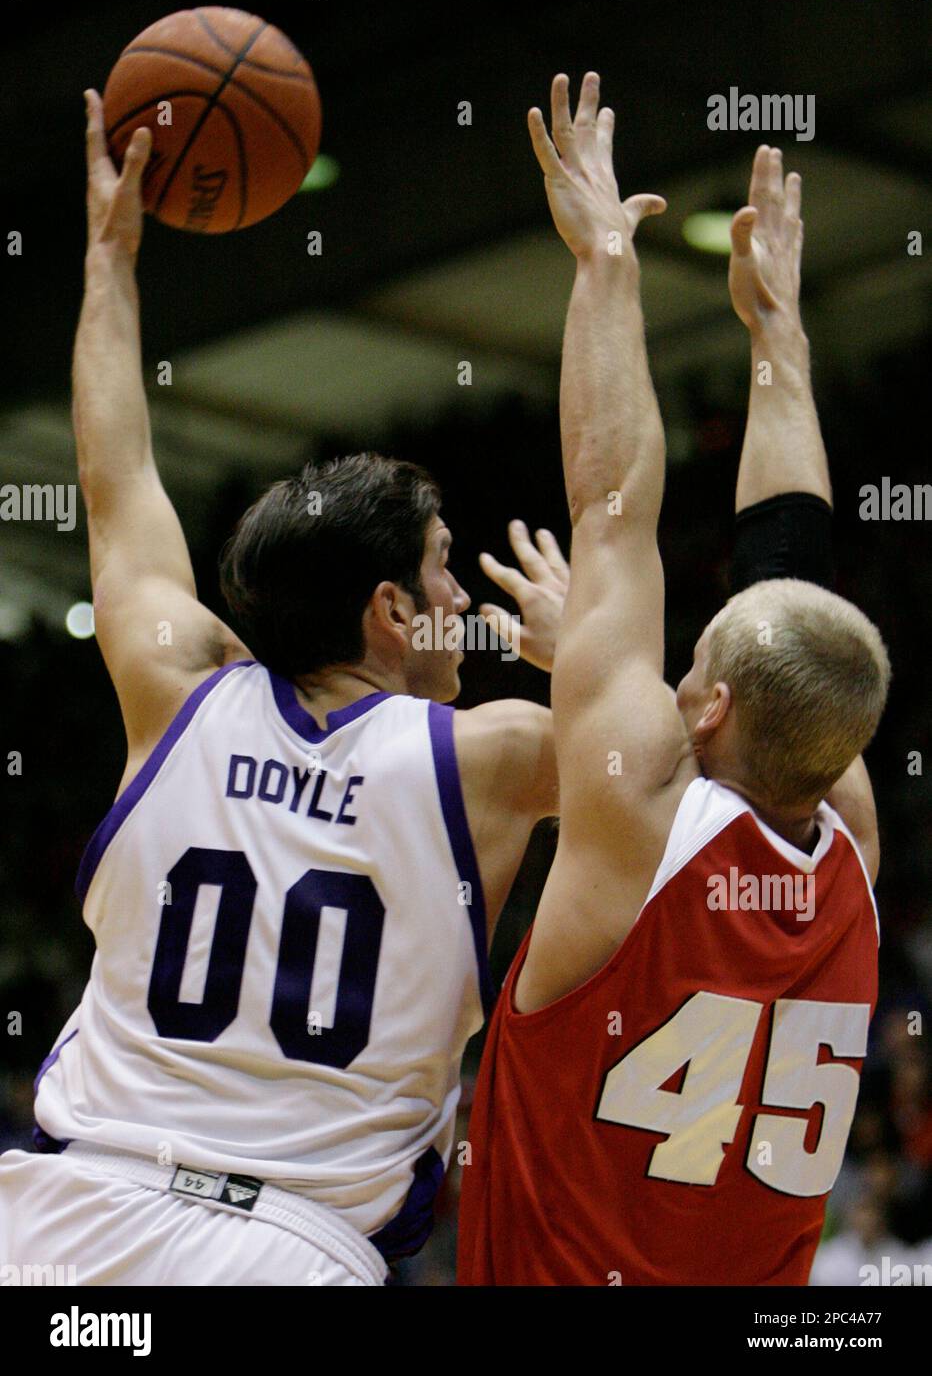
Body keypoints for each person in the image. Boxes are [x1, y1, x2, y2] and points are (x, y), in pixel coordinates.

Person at [0, 91, 566, 1287]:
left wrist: (108, 259)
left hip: (63, 1227)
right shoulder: (497, 756)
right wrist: (579, 653)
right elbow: (700, 754)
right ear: (385, 610)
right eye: (441, 568)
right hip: (286, 1254)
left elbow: (115, 482)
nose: (463, 595)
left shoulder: (177, 687)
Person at [457, 74, 890, 1286]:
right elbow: (789, 587)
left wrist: (606, 257)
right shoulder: (847, 831)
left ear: (703, 707)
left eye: (685, 661)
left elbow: (610, 508)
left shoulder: (640, 816)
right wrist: (778, 343)